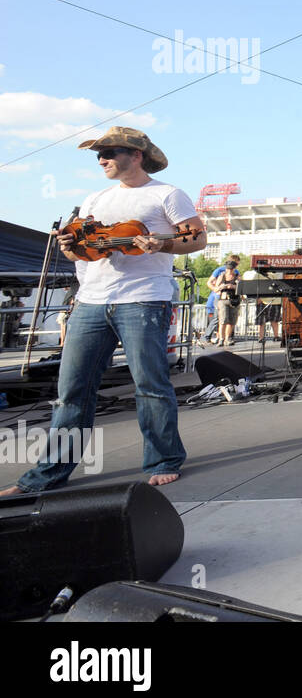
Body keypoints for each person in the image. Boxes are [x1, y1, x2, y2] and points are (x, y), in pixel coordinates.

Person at [1, 127, 204, 495]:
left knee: (150, 384)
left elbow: (197, 238)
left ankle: (163, 460)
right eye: (98, 154)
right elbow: (81, 252)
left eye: (108, 152)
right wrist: (68, 245)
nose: (101, 160)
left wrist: (162, 243)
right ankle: (47, 475)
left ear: (137, 155)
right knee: (71, 390)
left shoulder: (167, 194)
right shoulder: (96, 198)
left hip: (143, 298)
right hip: (91, 301)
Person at [207, 258, 241, 346]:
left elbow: (241, 288)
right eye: (228, 268)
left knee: (232, 320)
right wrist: (221, 287)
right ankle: (221, 339)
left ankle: (227, 338)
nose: (229, 271)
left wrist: (233, 286)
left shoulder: (237, 276)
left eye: (231, 269)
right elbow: (215, 287)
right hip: (223, 299)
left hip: (234, 300)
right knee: (222, 320)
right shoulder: (222, 275)